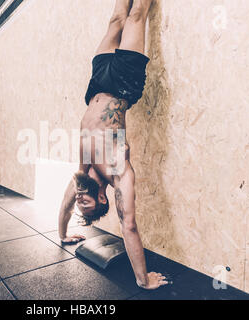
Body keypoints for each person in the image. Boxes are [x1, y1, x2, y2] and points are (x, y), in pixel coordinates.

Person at [58, 0, 168, 290]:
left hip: (96, 84)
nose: (81, 201)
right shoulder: (118, 172)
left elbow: (65, 206)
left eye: (81, 204)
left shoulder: (82, 174)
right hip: (123, 84)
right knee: (136, 15)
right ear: (104, 199)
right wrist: (143, 280)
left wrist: (63, 234)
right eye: (88, 205)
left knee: (116, 19)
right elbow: (128, 225)